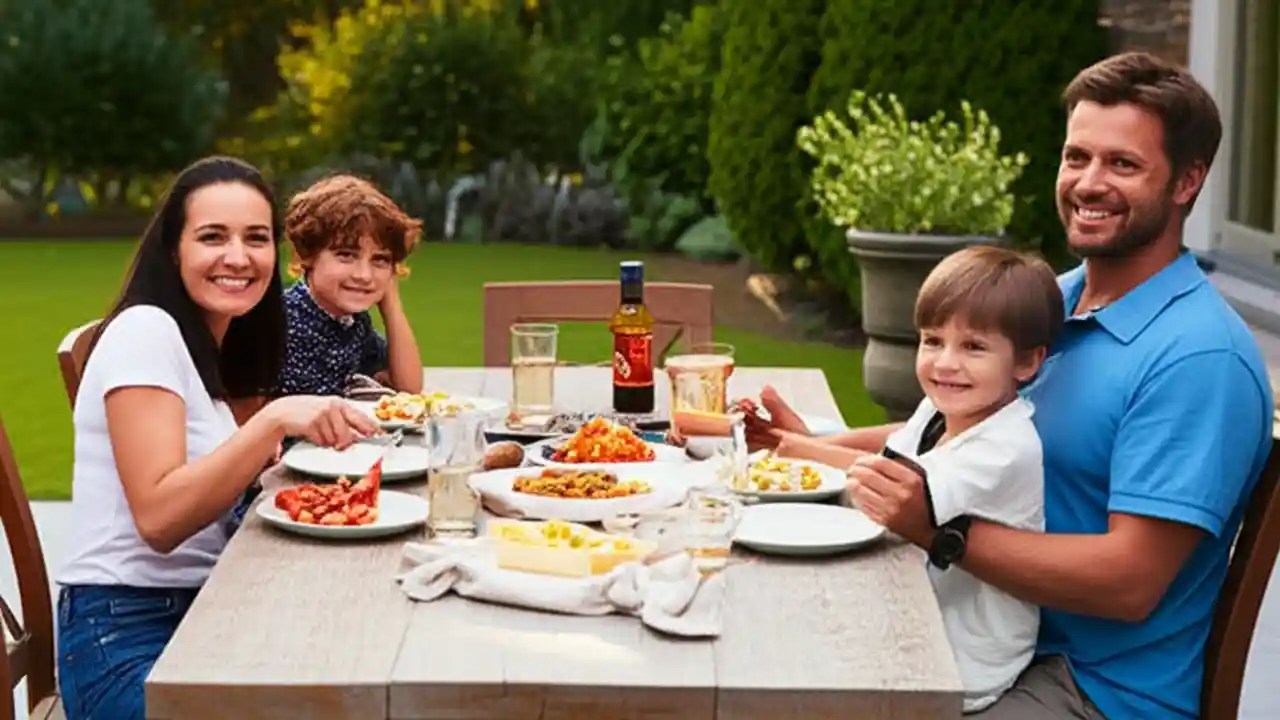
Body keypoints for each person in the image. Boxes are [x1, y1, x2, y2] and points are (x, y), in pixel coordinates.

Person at [744, 51, 1275, 720]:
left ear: (1186, 182)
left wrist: (942, 531)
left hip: (1094, 691)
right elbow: (956, 434)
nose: (1089, 182)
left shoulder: (1198, 359)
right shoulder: (1059, 299)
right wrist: (804, 444)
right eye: (1076, 156)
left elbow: (1130, 581)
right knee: (770, 649)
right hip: (991, 631)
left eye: (1123, 164)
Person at [54, 156, 379, 720]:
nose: (238, 257)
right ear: (173, 249)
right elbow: (159, 519)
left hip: (210, 615)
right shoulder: (145, 332)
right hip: (125, 638)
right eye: (212, 237)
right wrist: (272, 423)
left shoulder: (214, 348)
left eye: (256, 238)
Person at [277, 174, 423, 397]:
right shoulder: (285, 321)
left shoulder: (352, 321)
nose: (364, 275)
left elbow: (408, 388)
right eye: (346, 255)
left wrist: (391, 304)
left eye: (380, 260)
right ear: (307, 254)